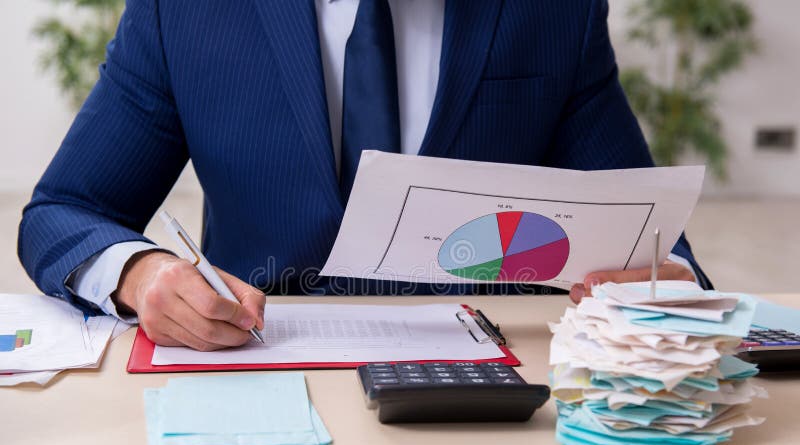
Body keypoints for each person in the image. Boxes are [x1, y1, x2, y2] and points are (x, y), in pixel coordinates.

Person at [18, 0, 710, 352]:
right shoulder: (187, 11)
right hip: (259, 367)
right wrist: (140, 274)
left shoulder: (553, 12)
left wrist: (665, 279)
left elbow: (647, 230)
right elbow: (63, 210)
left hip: (490, 393)